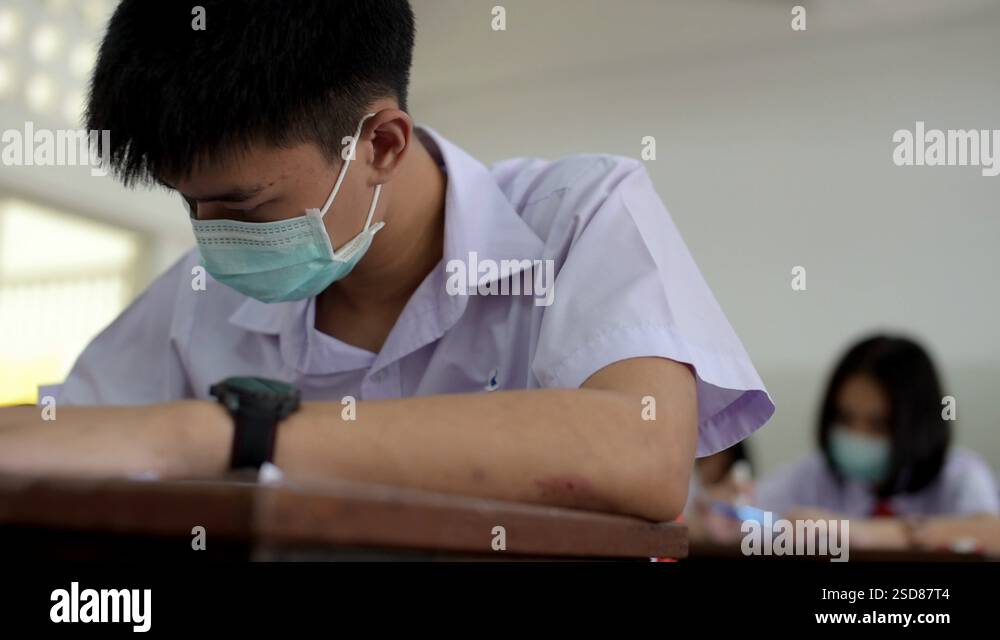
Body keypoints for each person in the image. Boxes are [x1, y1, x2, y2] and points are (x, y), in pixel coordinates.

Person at [0, 1, 773, 522]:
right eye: (188, 204)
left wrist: (217, 437)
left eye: (245, 208)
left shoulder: (577, 215)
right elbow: (59, 433)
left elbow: (637, 450)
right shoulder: (197, 294)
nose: (212, 235)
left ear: (380, 144)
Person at [757, 334, 998, 549]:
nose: (857, 435)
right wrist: (728, 514)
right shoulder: (813, 475)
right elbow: (752, 511)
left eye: (879, 424)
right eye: (844, 418)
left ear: (917, 425)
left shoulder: (959, 474)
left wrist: (860, 533)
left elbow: (991, 534)